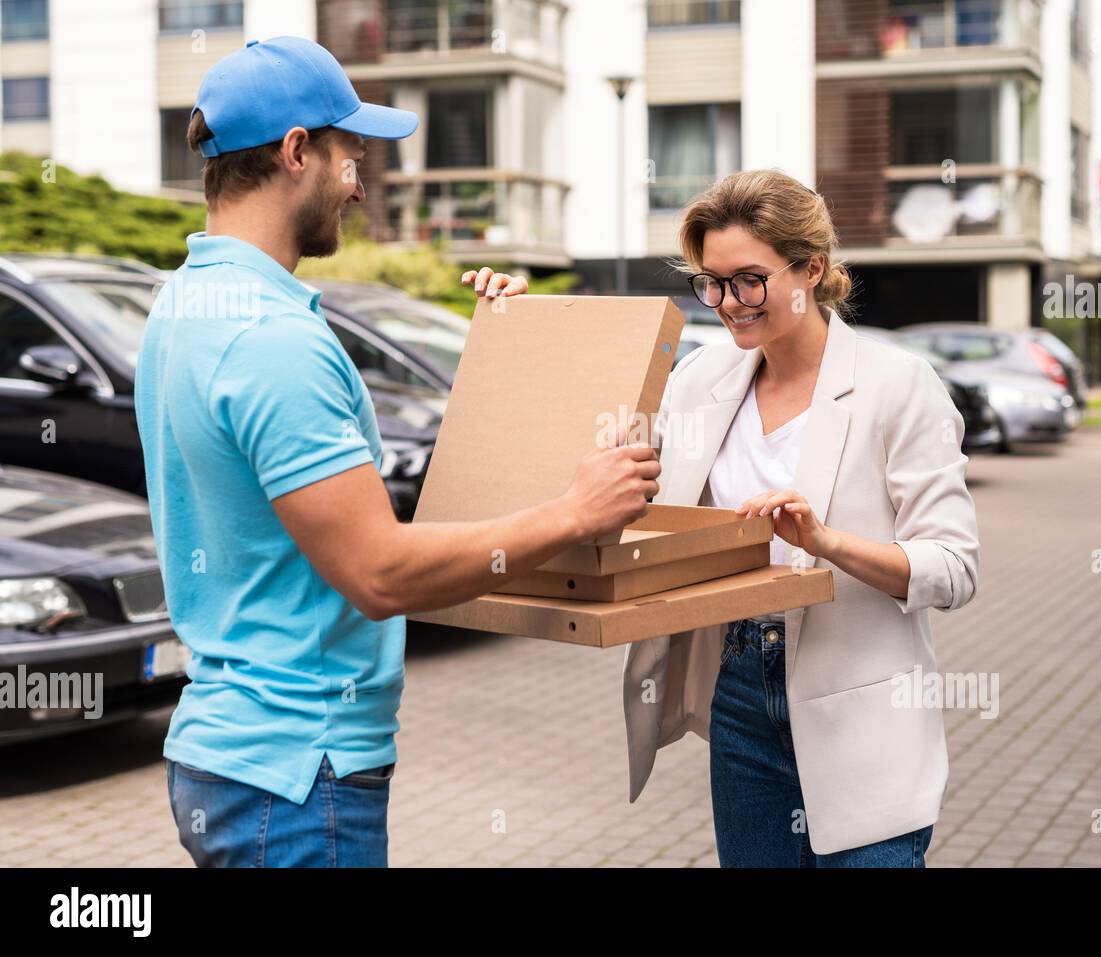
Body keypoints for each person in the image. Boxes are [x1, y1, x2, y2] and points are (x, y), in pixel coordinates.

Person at [135, 36, 659, 867]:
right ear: (297, 150)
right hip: (300, 771)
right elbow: (380, 572)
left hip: (233, 753)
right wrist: (574, 512)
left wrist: (516, 353)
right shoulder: (271, 338)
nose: (359, 180)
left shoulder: (184, 306)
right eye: (350, 153)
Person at [620, 169, 981, 867]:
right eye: (712, 282)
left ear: (812, 268)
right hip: (738, 693)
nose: (729, 303)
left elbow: (956, 567)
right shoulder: (698, 381)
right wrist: (516, 317)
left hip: (860, 706)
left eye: (749, 280)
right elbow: (623, 494)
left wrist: (826, 542)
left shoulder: (897, 386)